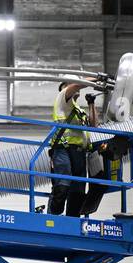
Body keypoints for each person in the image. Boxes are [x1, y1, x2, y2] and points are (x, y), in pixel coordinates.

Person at [47, 82, 92, 216]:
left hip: (79, 152)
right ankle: (54, 215)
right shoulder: (62, 99)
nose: (73, 87)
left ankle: (73, 221)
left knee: (78, 191)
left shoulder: (80, 111)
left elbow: (94, 125)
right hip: (63, 148)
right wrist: (95, 80)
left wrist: (91, 103)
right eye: (69, 85)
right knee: (63, 184)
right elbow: (77, 86)